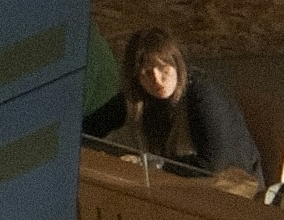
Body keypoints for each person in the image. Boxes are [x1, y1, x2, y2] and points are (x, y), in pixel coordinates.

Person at [84, 28, 263, 184]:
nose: (157, 80)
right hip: (178, 193)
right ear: (136, 78)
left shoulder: (203, 95)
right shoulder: (137, 98)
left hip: (234, 196)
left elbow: (213, 167)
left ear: (176, 64)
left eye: (163, 68)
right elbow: (85, 132)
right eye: (146, 73)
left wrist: (149, 164)